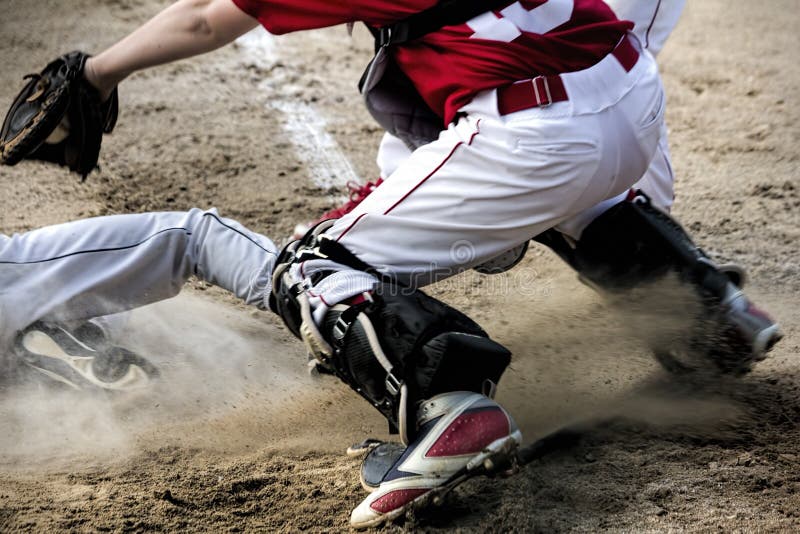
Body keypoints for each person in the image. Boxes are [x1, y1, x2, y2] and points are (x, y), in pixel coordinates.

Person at [0, 0, 781, 528]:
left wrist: (97, 71)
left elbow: (209, 17)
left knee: (314, 264)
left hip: (539, 133)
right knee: (555, 190)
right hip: (628, 102)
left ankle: (448, 409)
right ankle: (706, 313)